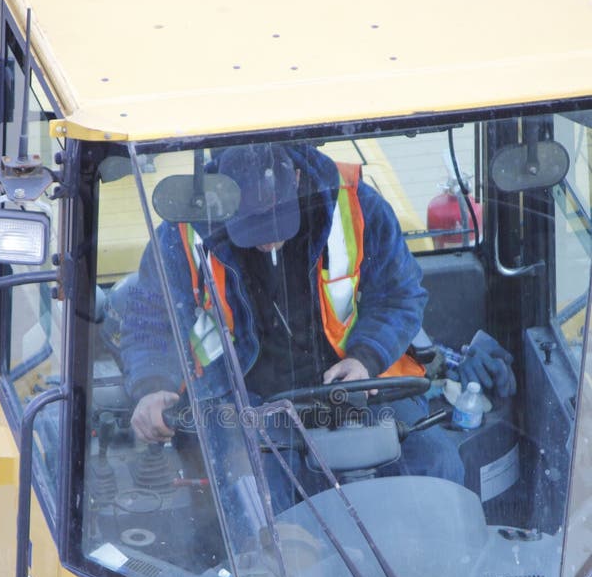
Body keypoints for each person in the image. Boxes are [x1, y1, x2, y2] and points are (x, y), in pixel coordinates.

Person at [120, 142, 465, 492]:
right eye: (252, 230)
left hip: (357, 385)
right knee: (253, 493)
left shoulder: (357, 203)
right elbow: (149, 318)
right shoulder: (181, 232)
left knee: (436, 464)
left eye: (277, 225)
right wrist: (153, 387)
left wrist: (366, 359)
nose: (268, 243)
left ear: (298, 177)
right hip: (245, 402)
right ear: (223, 195)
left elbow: (399, 295)